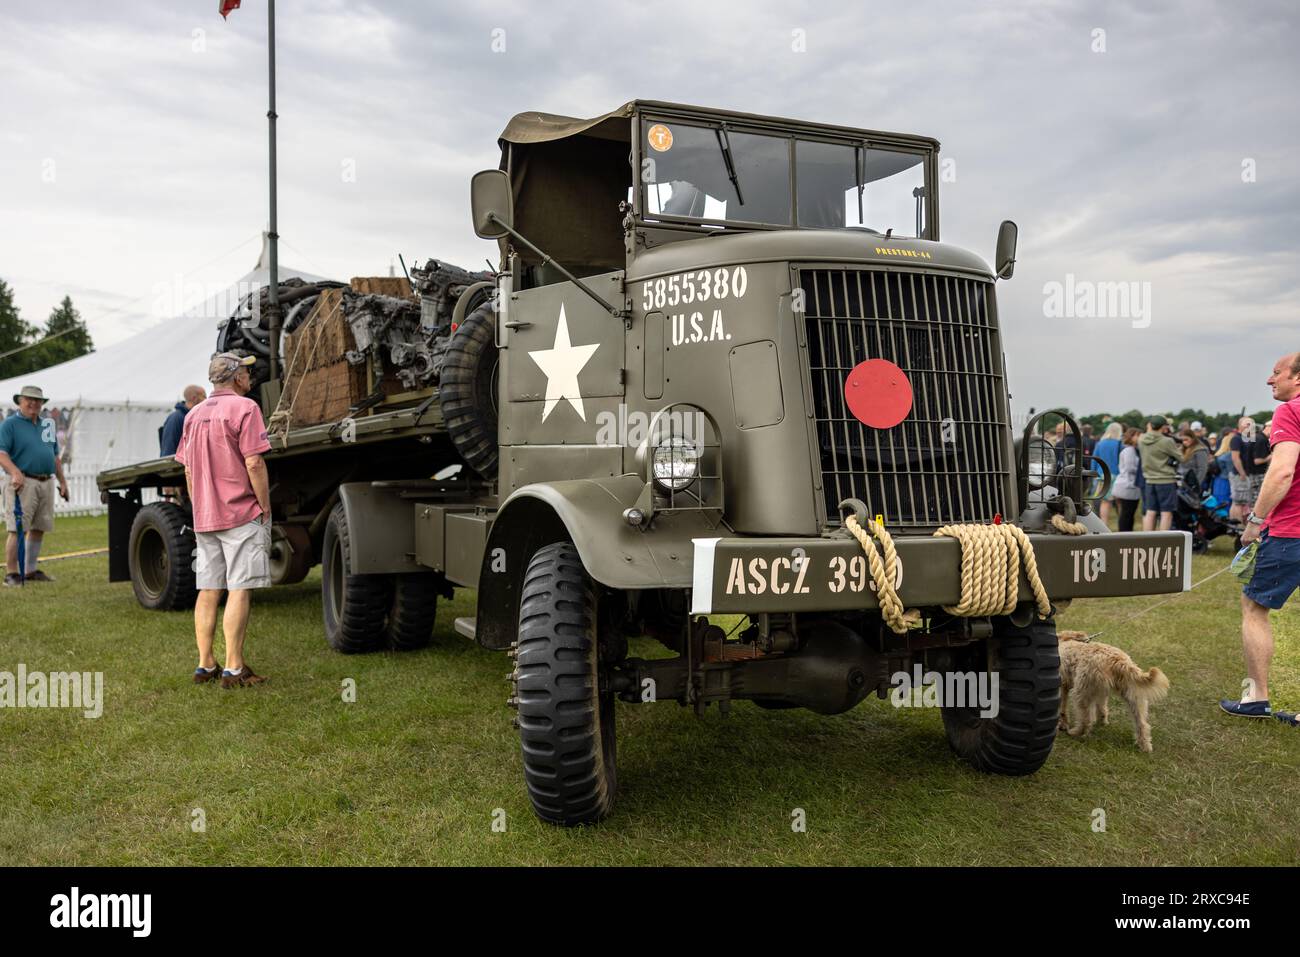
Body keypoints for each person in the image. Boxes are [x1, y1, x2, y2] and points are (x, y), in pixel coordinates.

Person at [173, 353, 273, 688]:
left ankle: (205, 664)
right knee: (240, 587)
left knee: (208, 588)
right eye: (246, 370)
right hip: (240, 512)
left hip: (206, 515)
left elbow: (187, 468)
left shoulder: (194, 414)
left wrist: (199, 503)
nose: (249, 375)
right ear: (236, 377)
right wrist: (264, 505)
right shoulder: (246, 408)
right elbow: (254, 463)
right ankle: (233, 668)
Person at [1220, 352, 1300, 726]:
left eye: (1276, 373)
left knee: (1254, 607)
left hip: (1290, 532)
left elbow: (1282, 472)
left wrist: (1255, 521)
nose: (1270, 379)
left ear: (1297, 378)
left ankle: (1256, 698)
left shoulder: (1290, 411)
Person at [0, 386, 70, 585]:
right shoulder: (9, 425)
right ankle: (12, 574)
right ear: (19, 401)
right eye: (29, 399)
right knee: (17, 528)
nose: (34, 403)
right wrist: (14, 472)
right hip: (22, 483)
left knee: (39, 526)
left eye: (38, 400)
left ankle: (30, 571)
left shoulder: (47, 424)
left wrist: (63, 482)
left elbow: (54, 456)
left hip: (46, 481)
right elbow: (1, 453)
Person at [1138, 415, 1181, 531]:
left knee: (1150, 512)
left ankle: (1147, 540)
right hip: (1166, 480)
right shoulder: (1167, 441)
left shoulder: (1141, 439)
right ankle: (1163, 541)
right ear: (1163, 427)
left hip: (1149, 479)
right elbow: (1180, 457)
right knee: (1166, 513)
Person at [160, 384, 207, 457]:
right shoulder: (176, 418)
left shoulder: (192, 417)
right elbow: (169, 449)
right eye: (204, 396)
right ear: (194, 398)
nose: (206, 400)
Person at [1111, 426, 1143, 531]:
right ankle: (1124, 535)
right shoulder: (1129, 450)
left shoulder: (1132, 450)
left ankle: (1126, 534)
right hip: (1127, 486)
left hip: (1127, 485)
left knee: (1127, 514)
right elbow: (1130, 467)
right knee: (1127, 514)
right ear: (1132, 437)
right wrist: (1142, 469)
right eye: (1138, 435)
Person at [1092, 422, 1123, 525]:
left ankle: (1103, 525)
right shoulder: (1120, 444)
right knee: (1120, 502)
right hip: (1117, 475)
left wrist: (1093, 475)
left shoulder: (1100, 443)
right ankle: (1122, 524)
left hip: (1102, 476)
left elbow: (1094, 460)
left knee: (1105, 502)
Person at [1229, 417, 1257, 521]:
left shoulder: (1248, 438)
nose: (1250, 427)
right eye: (1247, 424)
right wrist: (1242, 473)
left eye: (1251, 424)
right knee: (1238, 501)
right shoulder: (1236, 438)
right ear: (1240, 425)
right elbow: (1235, 457)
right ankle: (1236, 523)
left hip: (1246, 473)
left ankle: (1240, 523)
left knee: (1243, 501)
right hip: (1239, 474)